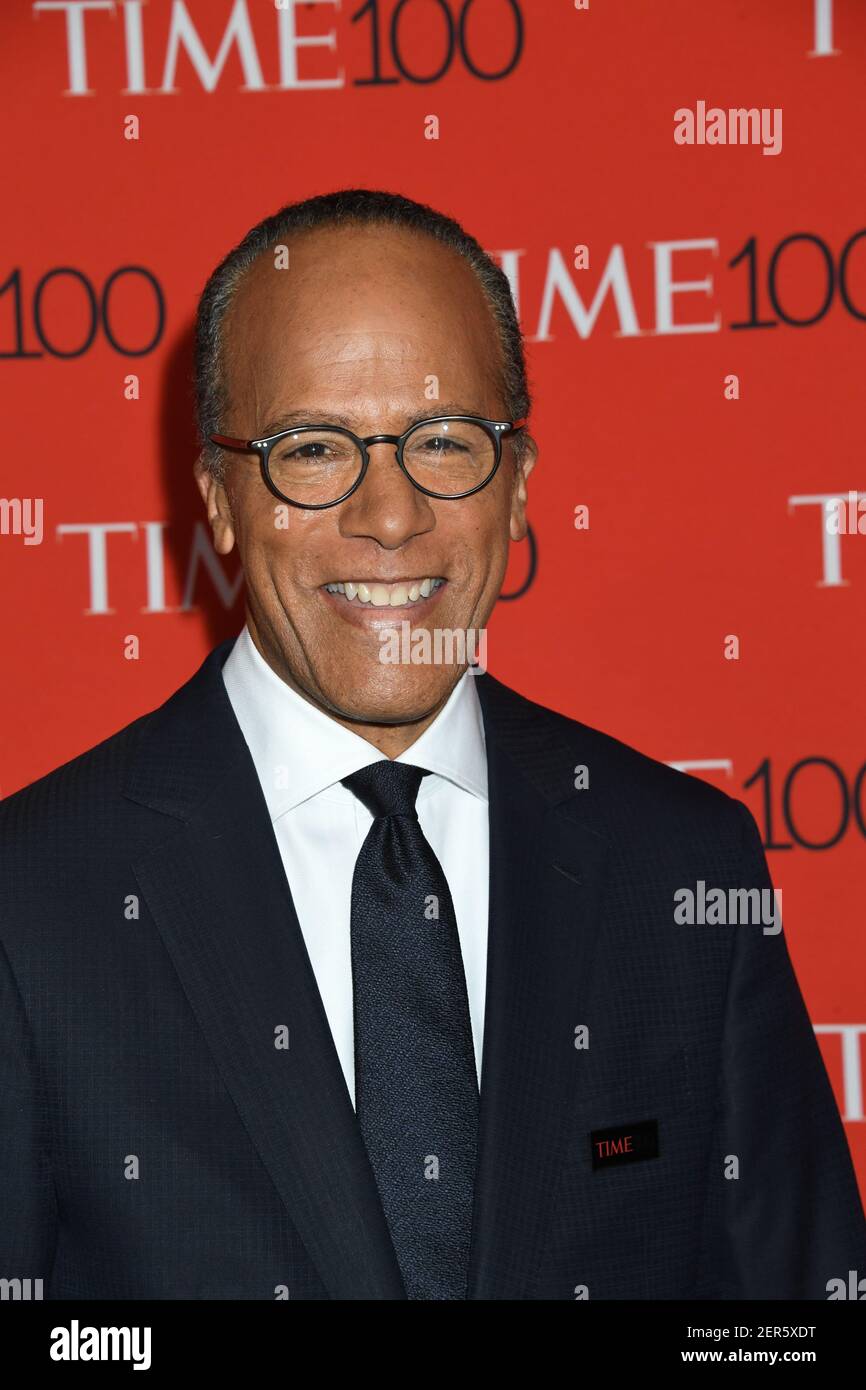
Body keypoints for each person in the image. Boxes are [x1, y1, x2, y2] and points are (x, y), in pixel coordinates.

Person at [1, 188, 864, 1301]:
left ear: (517, 489)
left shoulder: (683, 870)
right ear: (217, 498)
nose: (391, 513)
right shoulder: (33, 900)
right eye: (312, 448)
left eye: (444, 440)